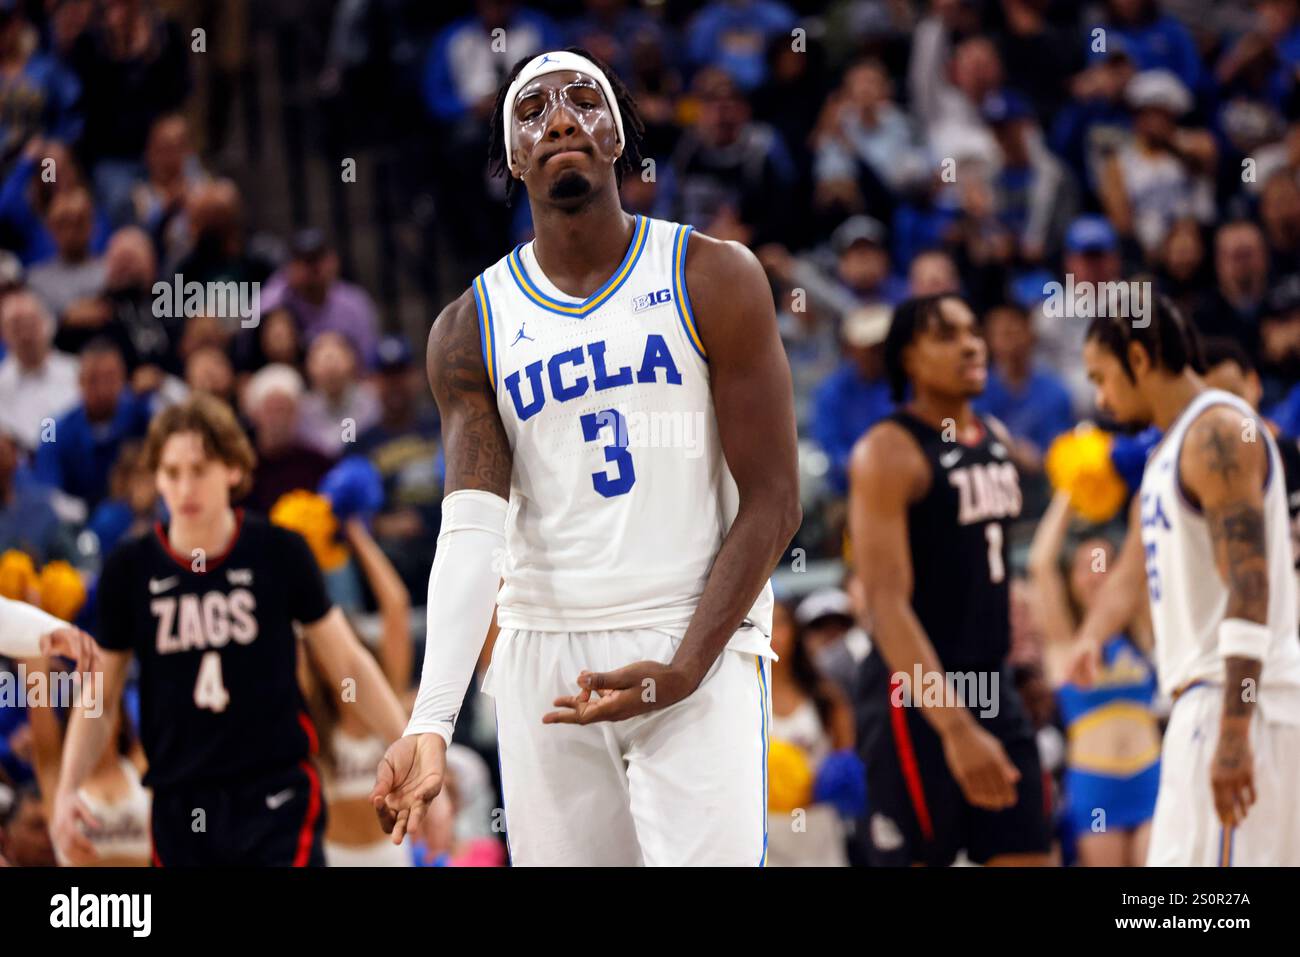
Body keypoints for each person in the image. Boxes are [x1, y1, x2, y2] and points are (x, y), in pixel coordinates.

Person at [373, 48, 801, 866]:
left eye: (582, 101)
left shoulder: (712, 274)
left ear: (616, 140)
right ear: (511, 158)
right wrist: (430, 719)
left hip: (694, 633)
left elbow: (777, 500)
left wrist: (681, 670)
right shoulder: (470, 326)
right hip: (546, 658)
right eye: (532, 109)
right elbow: (470, 533)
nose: (560, 118)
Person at [49, 394, 407, 866]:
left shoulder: (278, 552)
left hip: (274, 792)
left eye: (199, 470)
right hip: (179, 800)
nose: (184, 487)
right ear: (156, 477)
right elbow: (102, 692)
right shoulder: (129, 569)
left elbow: (347, 662)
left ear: (233, 469)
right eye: (171, 473)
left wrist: (408, 742)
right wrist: (66, 788)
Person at [1073, 295, 1300, 865]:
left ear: (1140, 359)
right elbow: (1133, 563)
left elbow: (1251, 586)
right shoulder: (1167, 451)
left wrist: (1232, 731)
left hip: (1238, 702)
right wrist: (1092, 633)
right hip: (1205, 704)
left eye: (1102, 378)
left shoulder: (1216, 434)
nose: (1101, 398)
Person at [848, 292, 1050, 867]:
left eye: (972, 330)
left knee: (1032, 852)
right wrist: (956, 728)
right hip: (913, 696)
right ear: (908, 359)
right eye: (946, 335)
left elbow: (987, 572)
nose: (970, 345)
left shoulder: (997, 440)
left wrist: (1022, 667)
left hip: (993, 683)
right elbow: (886, 606)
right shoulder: (887, 452)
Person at [1027, 493, 1159, 867]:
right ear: (1071, 581)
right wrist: (1073, 489)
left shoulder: (1139, 627)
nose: (1096, 574)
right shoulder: (1063, 640)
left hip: (1150, 777)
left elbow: (1146, 550)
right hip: (1096, 785)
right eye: (1085, 566)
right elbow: (1040, 564)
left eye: (1105, 564)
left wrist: (1132, 486)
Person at [766, 600, 855, 867]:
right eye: (764, 621)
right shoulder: (739, 699)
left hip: (818, 822)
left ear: (794, 630)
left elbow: (847, 758)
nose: (772, 631)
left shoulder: (824, 696)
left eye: (780, 622)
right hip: (765, 824)